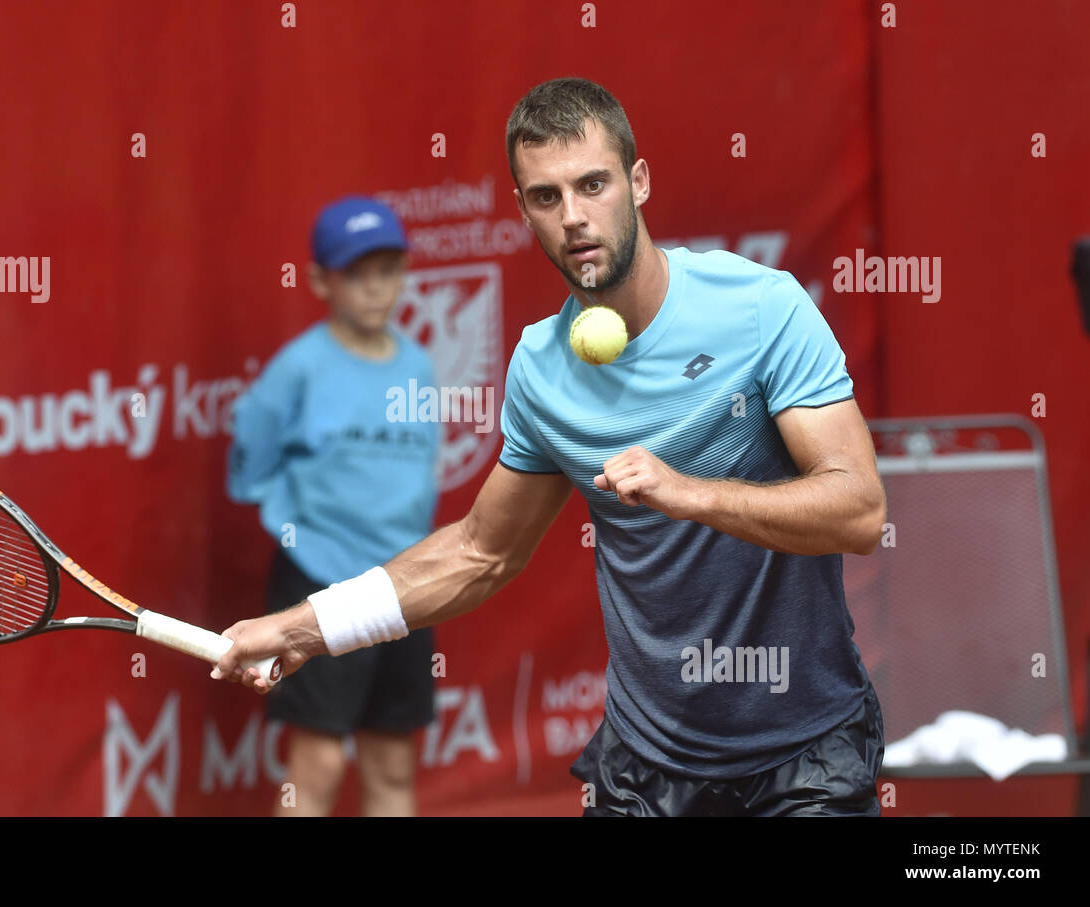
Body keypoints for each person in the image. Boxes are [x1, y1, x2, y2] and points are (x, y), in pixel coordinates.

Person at [215, 78, 888, 817]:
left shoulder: (763, 309)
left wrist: (692, 492)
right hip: (647, 768)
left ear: (638, 182)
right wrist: (305, 627)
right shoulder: (540, 368)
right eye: (545, 197)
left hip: (803, 755)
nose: (573, 218)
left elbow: (856, 509)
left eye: (593, 184)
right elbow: (480, 552)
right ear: (523, 210)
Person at [225, 196, 439, 817]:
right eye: (357, 273)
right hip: (318, 581)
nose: (376, 288)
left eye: (388, 270)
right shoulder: (297, 369)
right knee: (315, 765)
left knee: (393, 766)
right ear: (321, 281)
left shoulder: (421, 367)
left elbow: (419, 473)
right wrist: (303, 530)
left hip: (403, 588)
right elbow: (250, 470)